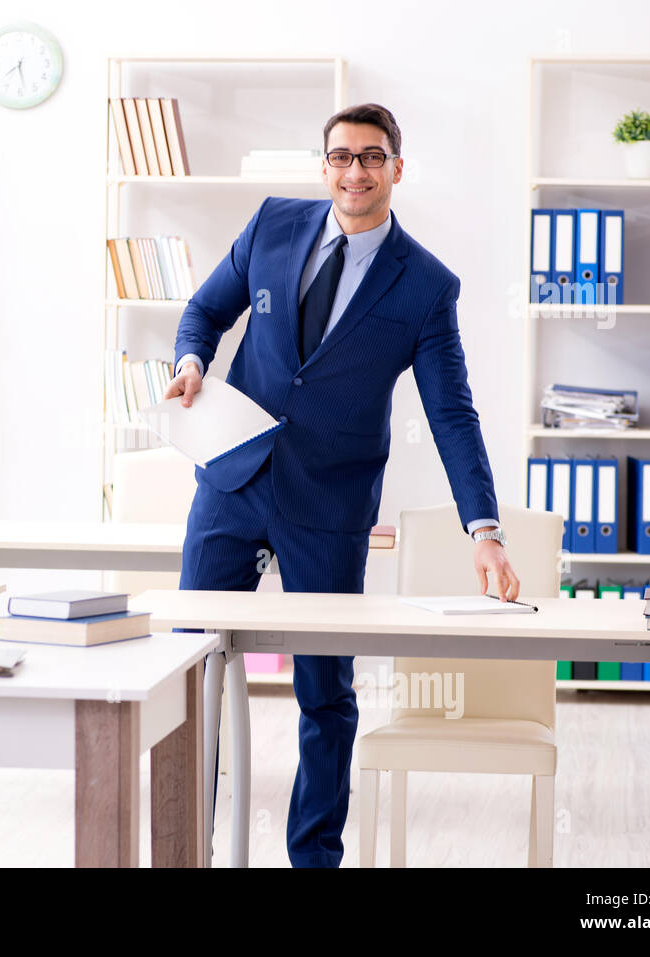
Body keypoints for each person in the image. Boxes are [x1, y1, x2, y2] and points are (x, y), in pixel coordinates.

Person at [163, 102, 520, 867]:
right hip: (231, 478)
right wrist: (191, 361)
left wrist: (482, 530)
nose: (354, 170)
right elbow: (204, 311)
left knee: (324, 694)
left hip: (328, 505)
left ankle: (313, 855)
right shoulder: (271, 225)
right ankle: (183, 843)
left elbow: (451, 412)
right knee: (186, 670)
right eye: (341, 156)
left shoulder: (424, 286)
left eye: (370, 156)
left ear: (396, 166)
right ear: (323, 165)